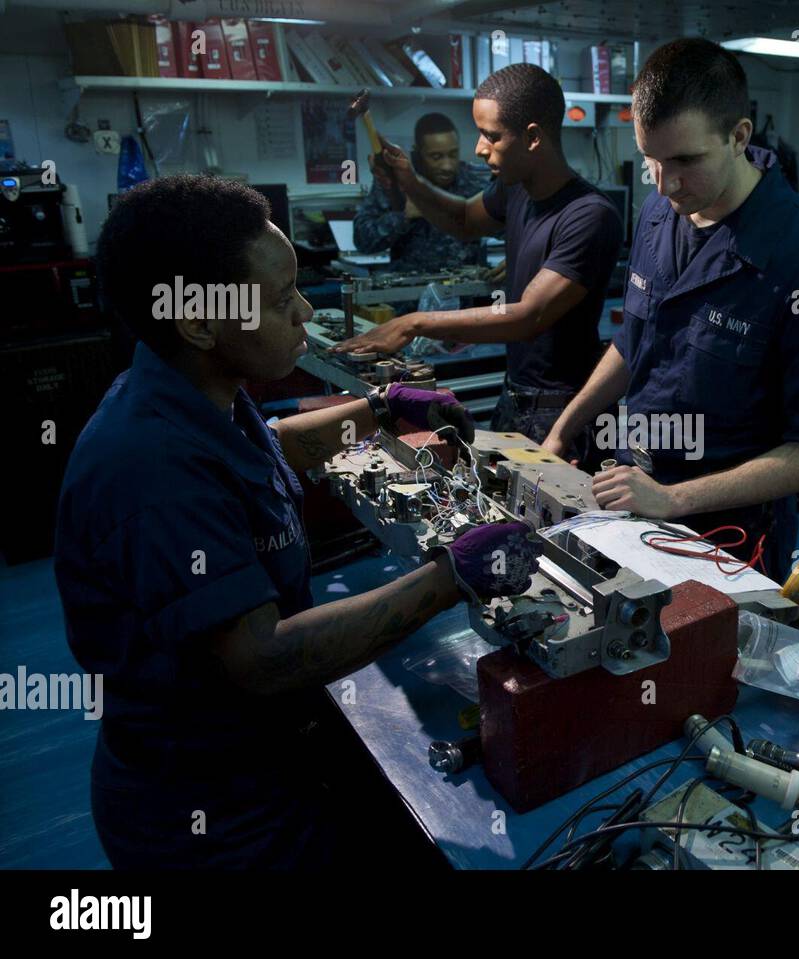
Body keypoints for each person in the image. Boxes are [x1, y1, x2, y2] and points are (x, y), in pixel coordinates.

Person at [54, 175, 542, 868]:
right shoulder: (147, 467)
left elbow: (266, 449)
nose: (304, 310)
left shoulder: (189, 392)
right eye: (282, 300)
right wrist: (450, 575)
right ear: (198, 320)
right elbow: (262, 656)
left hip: (265, 759)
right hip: (213, 814)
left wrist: (379, 412)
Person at [541, 39, 799, 583]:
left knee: (701, 658)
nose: (665, 183)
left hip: (729, 532)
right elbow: (633, 343)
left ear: (739, 136)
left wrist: (673, 499)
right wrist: (563, 428)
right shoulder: (658, 213)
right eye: (652, 158)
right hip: (635, 489)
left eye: (686, 161)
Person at [331, 64, 624, 469]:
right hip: (517, 393)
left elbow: (529, 315)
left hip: (563, 407)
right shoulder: (516, 189)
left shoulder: (589, 215)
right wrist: (409, 180)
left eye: (492, 136)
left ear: (534, 137)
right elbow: (464, 222)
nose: (479, 149)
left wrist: (413, 322)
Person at [352, 111, 490, 275]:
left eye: (453, 154)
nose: (447, 166)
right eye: (436, 157)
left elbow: (509, 224)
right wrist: (403, 217)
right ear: (418, 153)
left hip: (464, 295)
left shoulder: (472, 181)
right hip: (409, 294)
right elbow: (363, 241)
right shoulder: (395, 182)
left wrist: (511, 262)